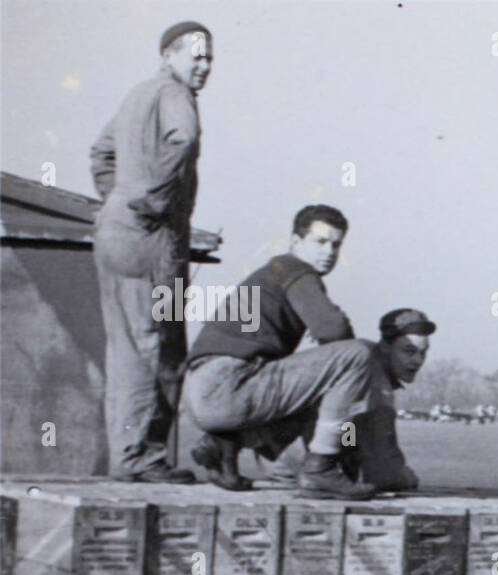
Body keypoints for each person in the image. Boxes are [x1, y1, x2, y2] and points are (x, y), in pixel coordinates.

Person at [182, 204, 375, 500]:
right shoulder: (295, 269)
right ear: (296, 242)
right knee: (358, 354)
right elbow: (334, 331)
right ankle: (321, 467)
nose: (329, 252)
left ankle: (224, 447)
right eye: (320, 242)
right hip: (229, 385)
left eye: (336, 244)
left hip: (203, 391)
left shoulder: (273, 272)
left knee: (314, 391)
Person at [89, 20, 213, 482]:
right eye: (195, 56)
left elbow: (101, 153)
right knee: (153, 344)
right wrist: (155, 199)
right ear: (168, 55)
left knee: (127, 346)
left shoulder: (136, 95)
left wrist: (117, 200)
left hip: (117, 229)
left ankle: (130, 454)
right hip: (153, 236)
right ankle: (141, 458)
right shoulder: (176, 96)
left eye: (209, 59)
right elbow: (184, 139)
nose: (203, 67)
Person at [256, 308, 435, 491]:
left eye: (423, 352)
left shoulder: (364, 361)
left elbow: (349, 426)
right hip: (298, 465)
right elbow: (385, 473)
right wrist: (407, 477)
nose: (417, 361)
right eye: (409, 351)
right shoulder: (374, 379)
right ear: (386, 346)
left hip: (283, 458)